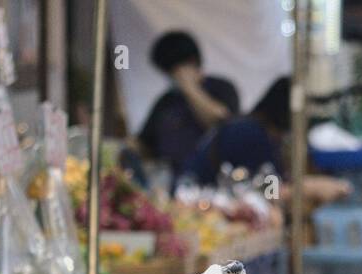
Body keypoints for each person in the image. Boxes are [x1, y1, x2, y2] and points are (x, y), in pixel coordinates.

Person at [182, 76, 350, 204]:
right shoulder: (250, 133)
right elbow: (266, 192)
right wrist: (310, 188)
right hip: (199, 202)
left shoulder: (254, 130)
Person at [137, 31, 240, 178]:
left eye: (173, 71)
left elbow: (221, 121)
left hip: (216, 181)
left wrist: (189, 87)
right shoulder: (166, 100)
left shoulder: (221, 88)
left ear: (191, 62)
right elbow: (144, 143)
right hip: (175, 183)